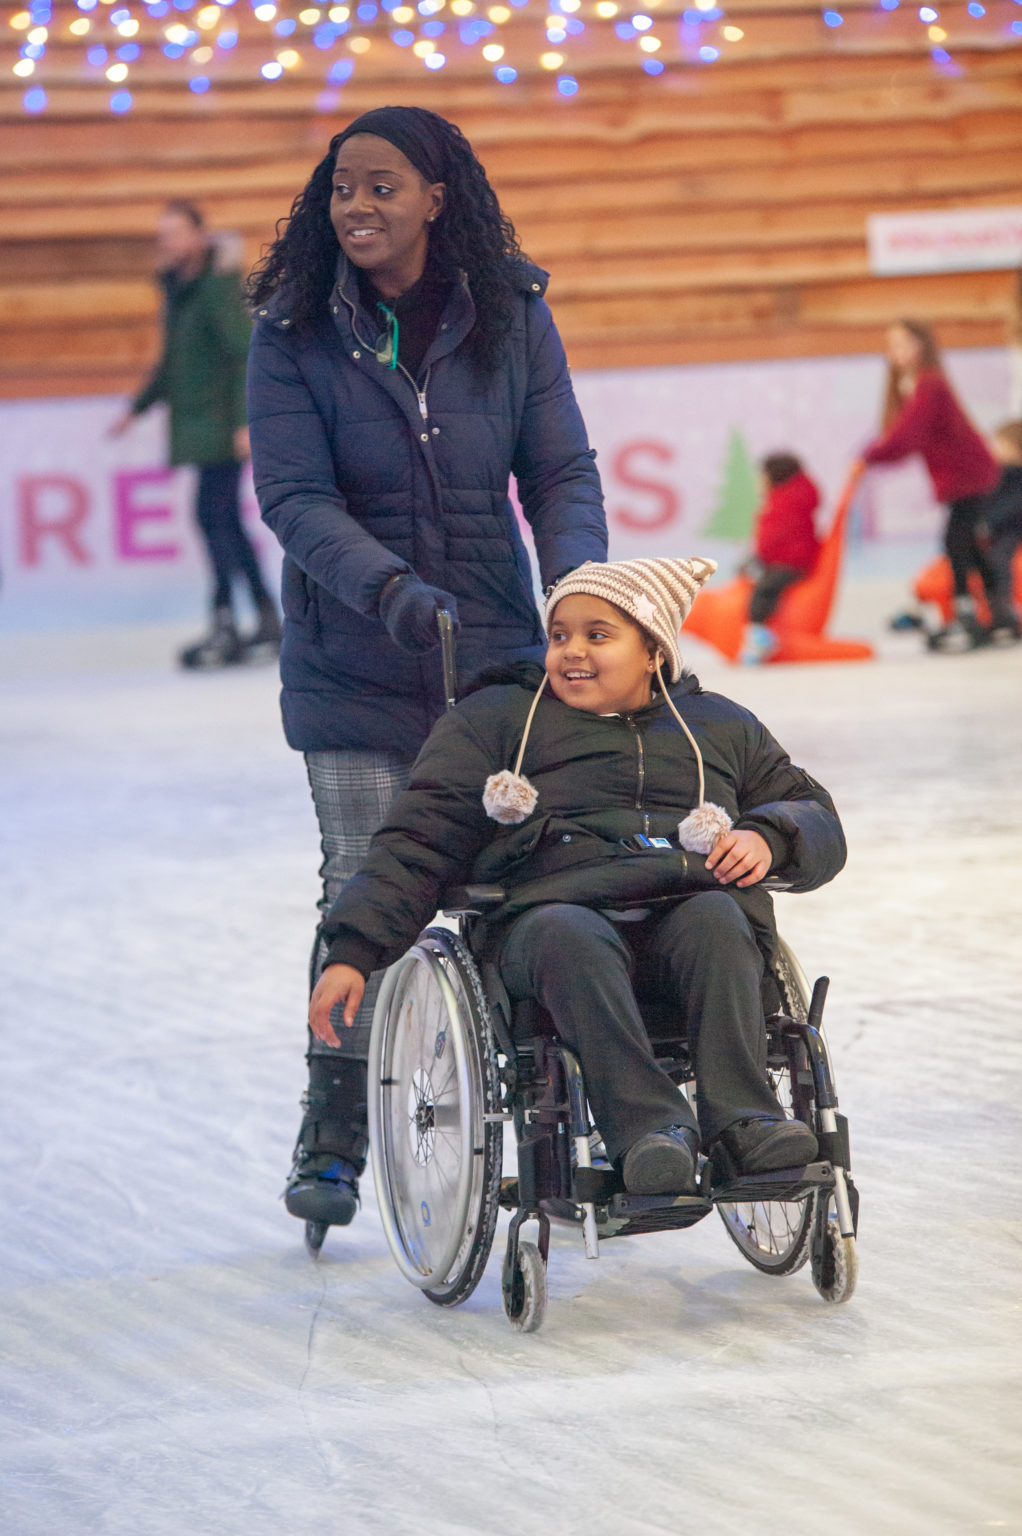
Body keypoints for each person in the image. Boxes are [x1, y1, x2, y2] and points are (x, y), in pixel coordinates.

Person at [245, 107, 607, 1234]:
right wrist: (388, 589)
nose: (355, 207)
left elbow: (558, 469)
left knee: (523, 866)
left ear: (437, 195)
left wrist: (582, 593)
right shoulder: (292, 326)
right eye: (341, 188)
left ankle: (553, 1083)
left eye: (381, 187)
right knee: (362, 880)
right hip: (354, 658)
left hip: (492, 651)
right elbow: (294, 500)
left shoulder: (508, 314)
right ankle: (335, 1122)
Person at [309, 556, 845, 1192]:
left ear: (653, 651)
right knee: (571, 933)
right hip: (550, 926)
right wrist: (354, 949)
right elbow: (417, 840)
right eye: (560, 634)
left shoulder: (719, 727)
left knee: (717, 916)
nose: (571, 652)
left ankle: (744, 1122)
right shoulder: (497, 720)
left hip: (684, 918)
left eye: (598, 635)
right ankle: (650, 1134)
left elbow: (815, 817)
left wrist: (770, 836)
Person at [111, 199, 281, 669]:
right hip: (198, 426)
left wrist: (246, 422)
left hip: (221, 426)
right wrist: (138, 408)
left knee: (215, 519)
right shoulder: (179, 290)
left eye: (176, 234)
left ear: (200, 236)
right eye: (163, 236)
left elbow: (242, 356)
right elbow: (172, 362)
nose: (168, 244)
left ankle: (233, 618)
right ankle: (259, 618)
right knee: (219, 522)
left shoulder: (217, 290)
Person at [858, 319, 1000, 651]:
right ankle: (997, 614)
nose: (897, 352)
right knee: (971, 547)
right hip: (964, 478)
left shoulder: (929, 384)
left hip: (969, 475)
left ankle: (966, 618)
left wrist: (869, 456)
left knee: (957, 543)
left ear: (922, 346)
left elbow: (909, 435)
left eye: (905, 344)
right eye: (892, 346)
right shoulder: (915, 385)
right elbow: (907, 436)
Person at [739, 452, 821, 664]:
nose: (760, 481)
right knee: (762, 583)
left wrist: (760, 556)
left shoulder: (788, 499)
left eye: (763, 475)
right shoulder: (787, 496)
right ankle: (759, 633)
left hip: (790, 562)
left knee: (764, 589)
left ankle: (758, 634)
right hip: (785, 560)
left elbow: (777, 534)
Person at [982, 421, 1022, 642]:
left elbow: (1012, 508)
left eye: (1000, 445)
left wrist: (988, 522)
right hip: (997, 532)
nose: (994, 449)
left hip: (1012, 533)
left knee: (998, 558)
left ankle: (1004, 609)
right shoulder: (997, 474)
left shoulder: (1015, 476)